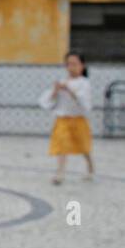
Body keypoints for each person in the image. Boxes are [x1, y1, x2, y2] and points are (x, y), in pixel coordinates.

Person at [43, 50, 94, 185]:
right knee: (62, 144)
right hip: (62, 119)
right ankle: (60, 173)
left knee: (83, 146)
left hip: (79, 120)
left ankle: (90, 166)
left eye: (74, 64)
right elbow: (49, 102)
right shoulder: (62, 81)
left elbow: (85, 103)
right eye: (68, 64)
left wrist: (70, 90)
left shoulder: (84, 83)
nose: (71, 67)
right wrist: (55, 91)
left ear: (82, 66)